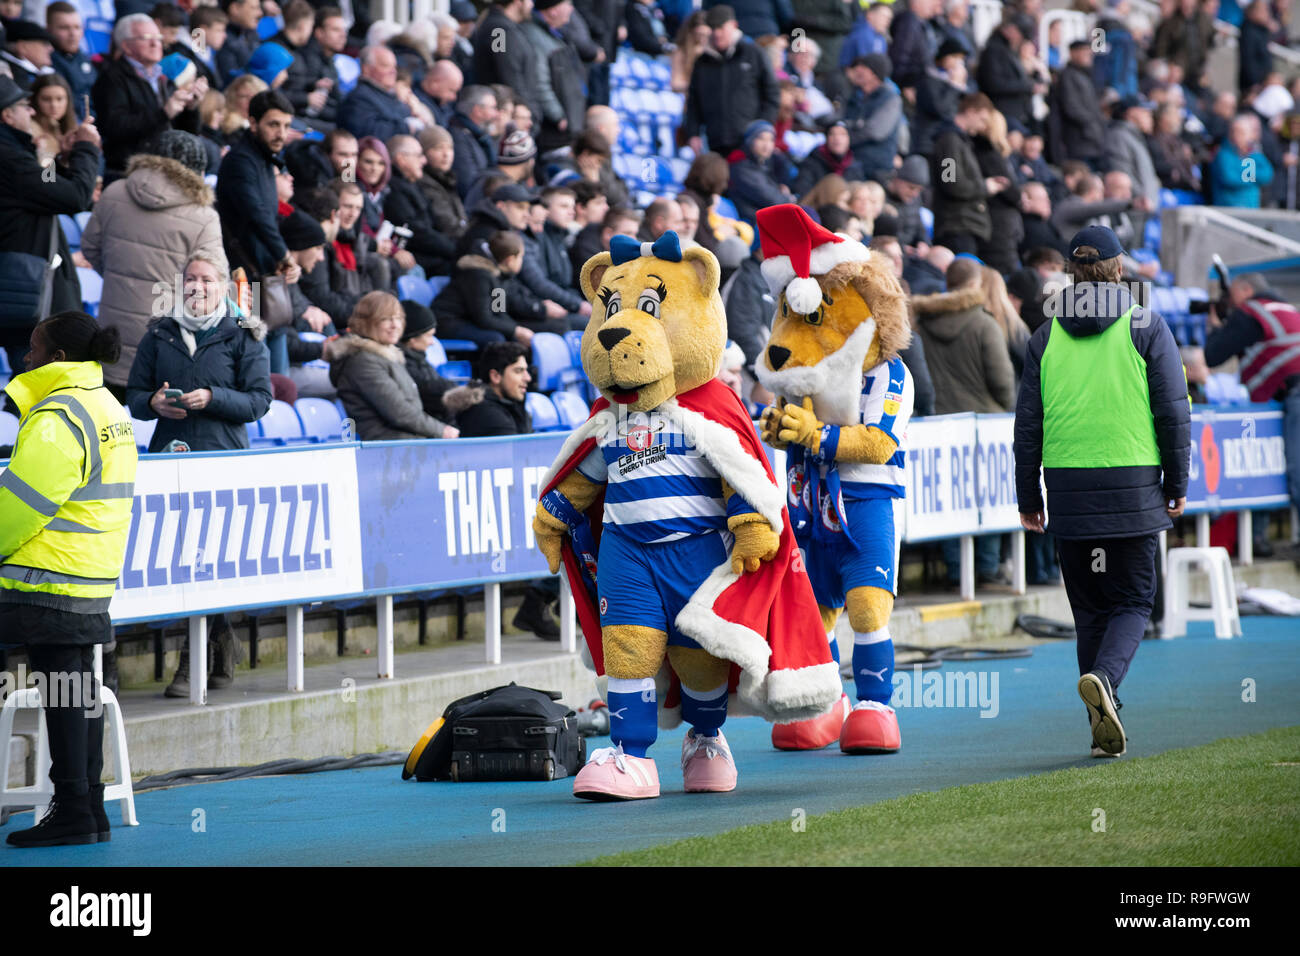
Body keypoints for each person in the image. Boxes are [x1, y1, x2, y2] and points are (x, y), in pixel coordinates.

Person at [1014, 225, 1190, 758]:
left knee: (1090, 612)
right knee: (1135, 601)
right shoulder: (1146, 323)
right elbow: (1173, 412)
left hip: (1068, 489)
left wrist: (1028, 497)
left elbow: (1027, 425)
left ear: (1070, 272)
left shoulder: (1045, 336)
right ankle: (1107, 684)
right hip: (1133, 486)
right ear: (1118, 269)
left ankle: (1101, 717)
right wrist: (1177, 483)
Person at [0, 312, 137, 848]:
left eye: (33, 348)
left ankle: (76, 808)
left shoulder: (57, 417)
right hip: (88, 576)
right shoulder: (108, 406)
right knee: (77, 691)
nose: (25, 357)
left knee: (67, 692)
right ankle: (86, 809)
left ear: (57, 358)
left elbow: (18, 512)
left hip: (45, 580)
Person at [82, 130, 225, 402]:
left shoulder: (114, 192)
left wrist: (118, 276)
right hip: (167, 347)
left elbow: (90, 248)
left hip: (112, 340)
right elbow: (211, 283)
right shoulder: (204, 216)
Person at [0, 75, 99, 374]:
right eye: (23, 105)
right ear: (6, 114)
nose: (31, 112)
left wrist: (61, 160)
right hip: (22, 286)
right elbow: (75, 197)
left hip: (21, 281)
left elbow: (44, 188)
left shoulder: (14, 154)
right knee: (34, 379)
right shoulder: (9, 157)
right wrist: (86, 149)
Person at [1204, 272, 1300, 555]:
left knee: (1296, 469)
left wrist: (1215, 326)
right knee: (1276, 468)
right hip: (1284, 396)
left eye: (1232, 295)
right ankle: (1258, 541)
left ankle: (1262, 540)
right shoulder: (1286, 308)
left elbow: (1213, 355)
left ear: (1246, 290)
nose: (1230, 302)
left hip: (1294, 394)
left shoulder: (1251, 312)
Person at [325, 290, 457, 440]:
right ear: (367, 322)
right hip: (386, 446)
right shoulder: (363, 361)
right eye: (386, 319)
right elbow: (399, 412)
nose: (395, 325)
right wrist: (442, 431)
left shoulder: (387, 355)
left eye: (398, 318)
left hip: (405, 440)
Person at [91, 13, 205, 183]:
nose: (155, 43)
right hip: (129, 175)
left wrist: (191, 108)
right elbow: (114, 127)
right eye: (146, 38)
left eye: (158, 37)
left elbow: (188, 132)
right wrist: (164, 113)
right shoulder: (111, 78)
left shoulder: (162, 77)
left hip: (165, 170)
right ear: (126, 46)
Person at [216, 90, 303, 287]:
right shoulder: (241, 161)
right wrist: (283, 254)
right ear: (253, 123)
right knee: (242, 319)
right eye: (274, 125)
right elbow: (257, 214)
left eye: (286, 126)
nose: (281, 134)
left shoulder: (264, 159)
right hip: (238, 272)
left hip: (257, 267)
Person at [683, 4, 780, 158]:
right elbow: (694, 102)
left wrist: (761, 128)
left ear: (734, 25)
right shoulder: (702, 62)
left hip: (749, 143)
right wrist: (693, 133)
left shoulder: (753, 54)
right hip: (714, 142)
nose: (717, 33)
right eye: (713, 28)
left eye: (721, 27)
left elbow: (772, 94)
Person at [840, 53, 903, 183]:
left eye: (863, 67)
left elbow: (875, 131)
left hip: (875, 171)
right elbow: (839, 121)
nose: (857, 69)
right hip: (850, 164)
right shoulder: (854, 95)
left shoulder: (891, 98)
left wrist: (846, 137)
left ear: (875, 74)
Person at [45, 3, 95, 120]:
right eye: (64, 28)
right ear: (48, 30)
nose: (73, 34)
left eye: (77, 27)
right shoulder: (46, 62)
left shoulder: (86, 59)